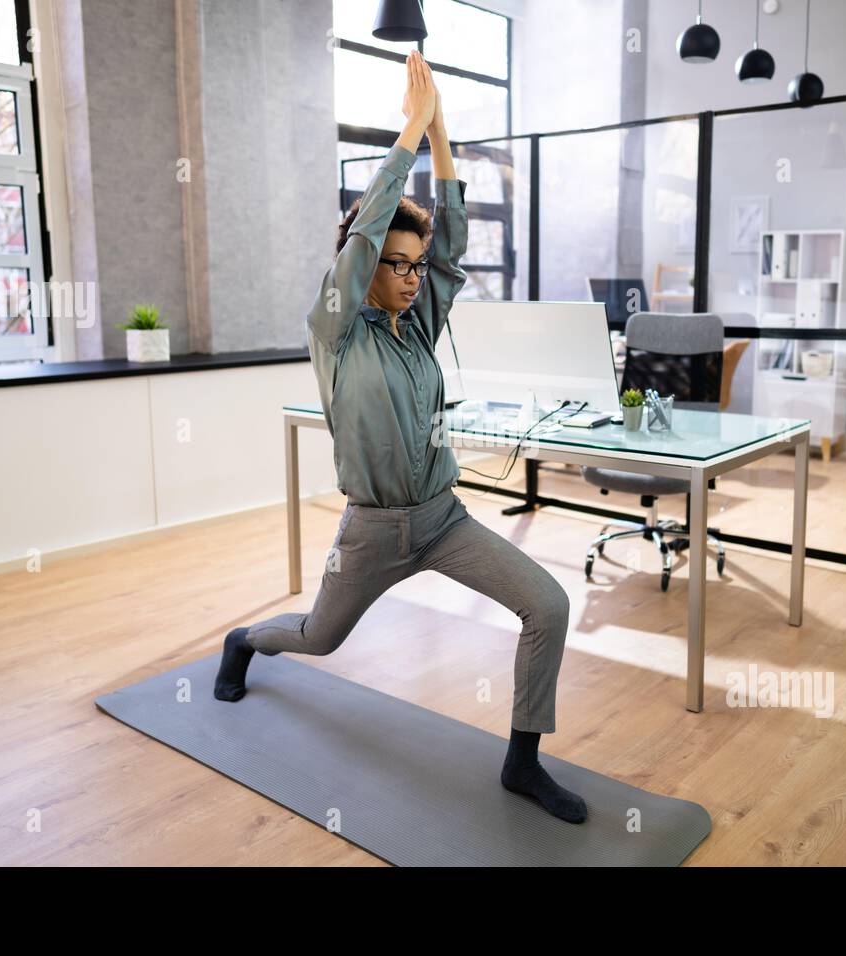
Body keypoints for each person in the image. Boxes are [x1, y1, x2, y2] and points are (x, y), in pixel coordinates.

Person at [213, 51, 586, 824]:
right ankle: (245, 641)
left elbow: (450, 236)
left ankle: (522, 762)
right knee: (319, 637)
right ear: (365, 267)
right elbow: (366, 234)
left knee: (547, 605)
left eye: (419, 268)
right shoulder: (336, 330)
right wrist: (409, 133)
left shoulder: (415, 327)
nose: (415, 277)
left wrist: (443, 129)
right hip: (375, 530)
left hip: (442, 520)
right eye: (398, 265)